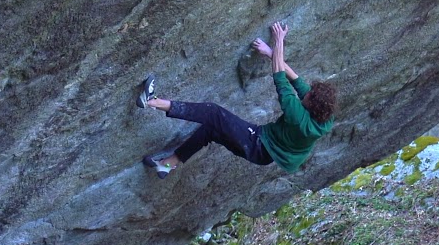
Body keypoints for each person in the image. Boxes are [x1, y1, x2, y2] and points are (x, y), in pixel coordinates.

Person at [138, 22, 337, 177]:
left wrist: (279, 43)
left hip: (258, 144)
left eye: (308, 95)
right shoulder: (323, 118)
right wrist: (270, 53)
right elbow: (295, 78)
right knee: (211, 130)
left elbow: (280, 78)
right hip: (264, 152)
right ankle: (167, 164)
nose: (306, 92)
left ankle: (151, 101)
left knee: (213, 112)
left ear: (310, 105)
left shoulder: (297, 116)